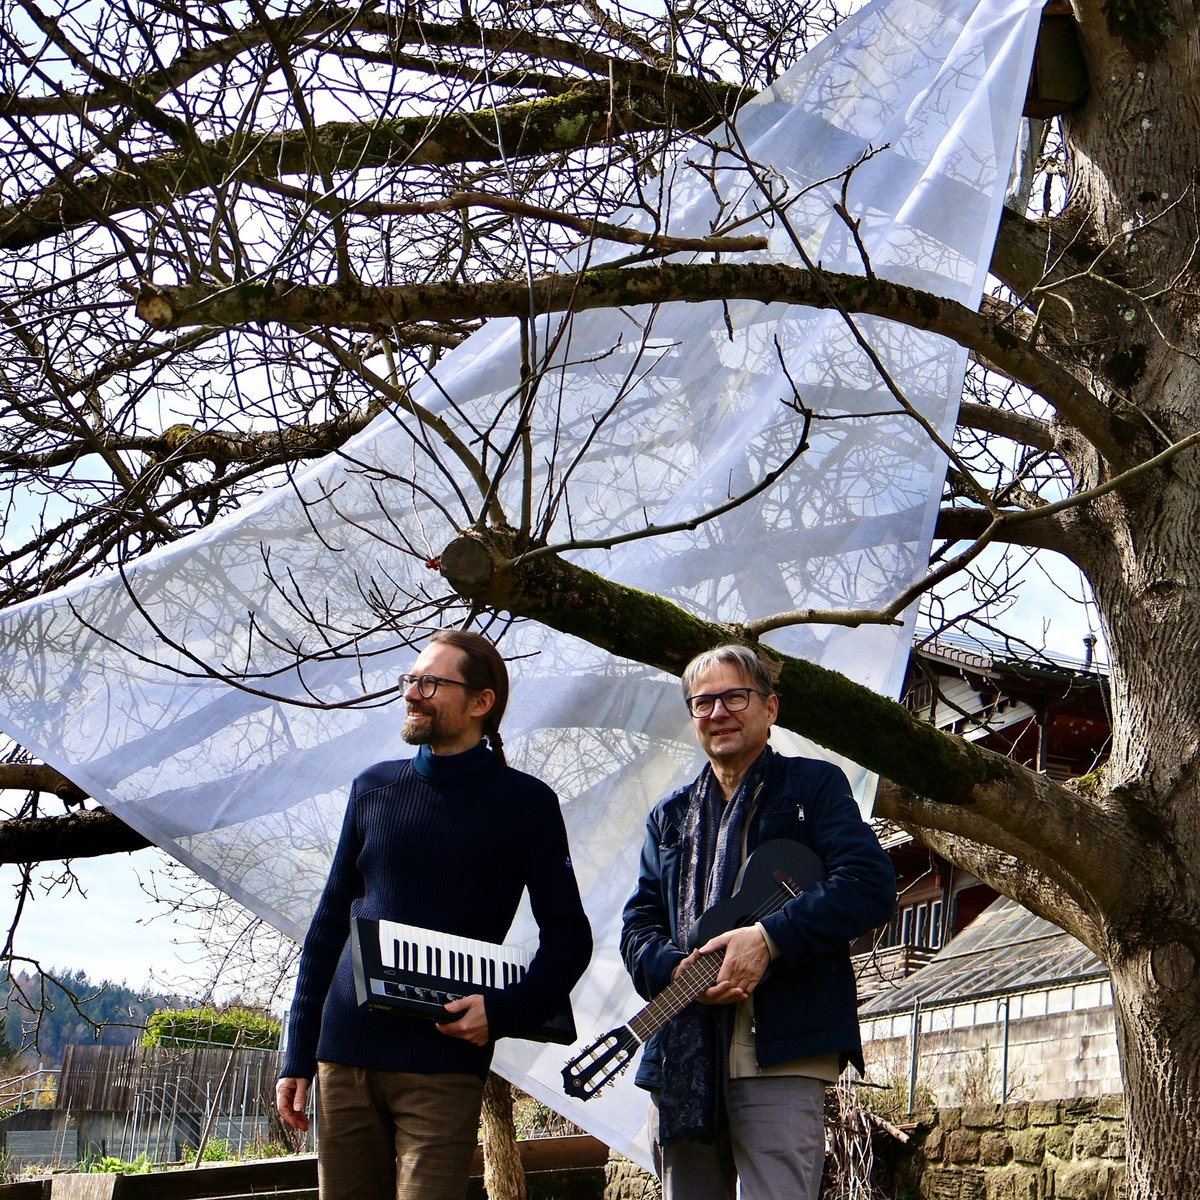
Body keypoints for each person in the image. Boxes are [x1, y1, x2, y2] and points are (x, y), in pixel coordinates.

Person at [276, 629, 592, 1200]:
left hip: (443, 1064)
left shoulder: (527, 805)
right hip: (343, 1057)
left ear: (480, 702)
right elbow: (326, 928)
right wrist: (296, 1052)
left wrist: (504, 1011)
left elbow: (570, 938)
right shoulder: (373, 788)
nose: (412, 693)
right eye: (410, 680)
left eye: (430, 682)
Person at [620, 643, 895, 1200]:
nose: (718, 712)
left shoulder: (813, 788)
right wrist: (674, 970)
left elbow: (868, 885)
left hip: (779, 1047)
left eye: (734, 697)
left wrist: (769, 938)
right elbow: (637, 926)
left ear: (770, 709)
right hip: (682, 1059)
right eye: (703, 703)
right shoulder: (669, 816)